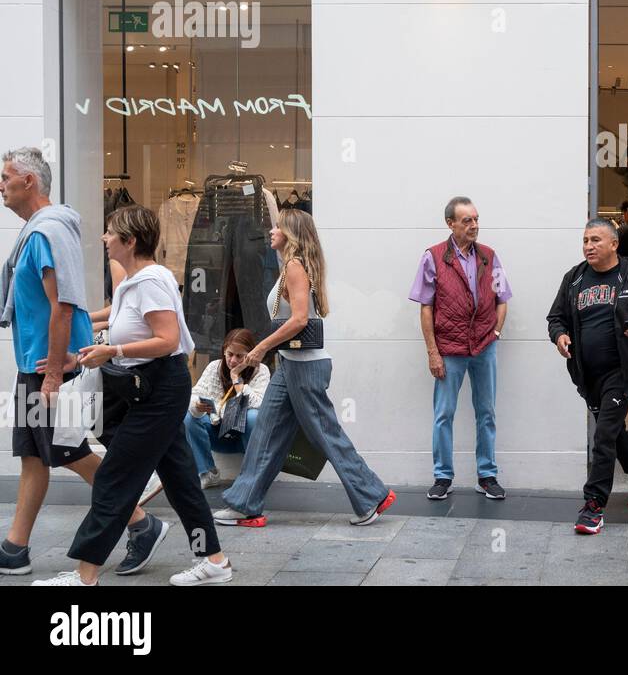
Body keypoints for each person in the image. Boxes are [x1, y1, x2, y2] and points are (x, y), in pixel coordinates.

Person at [34, 204, 232, 586]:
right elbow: (127, 329)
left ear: (130, 240)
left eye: (111, 232)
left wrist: (115, 350)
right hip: (153, 387)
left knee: (115, 477)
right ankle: (215, 560)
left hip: (161, 389)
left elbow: (168, 340)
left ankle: (85, 576)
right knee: (180, 481)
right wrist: (81, 357)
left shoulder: (150, 281)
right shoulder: (133, 282)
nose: (104, 238)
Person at [0, 148, 155, 578]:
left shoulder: (48, 232)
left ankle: (141, 522)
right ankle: (15, 547)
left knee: (67, 450)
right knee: (34, 454)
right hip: (35, 363)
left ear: (29, 181)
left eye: (6, 177)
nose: (1, 185)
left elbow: (63, 305)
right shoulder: (36, 231)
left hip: (54, 365)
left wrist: (54, 374)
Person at [216, 209, 396, 528]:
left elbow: (300, 319)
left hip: (305, 367)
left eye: (278, 227)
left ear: (290, 233)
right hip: (291, 364)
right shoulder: (292, 265)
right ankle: (244, 504)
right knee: (266, 432)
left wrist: (262, 347)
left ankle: (371, 495)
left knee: (325, 434)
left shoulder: (295, 266)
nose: (272, 231)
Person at [547, 218, 628, 535]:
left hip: (621, 372)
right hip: (587, 374)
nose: (589, 246)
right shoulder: (574, 278)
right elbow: (556, 318)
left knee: (602, 437)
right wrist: (560, 336)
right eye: (585, 240)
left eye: (596, 240)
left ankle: (594, 506)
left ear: (614, 244)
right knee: (612, 432)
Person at [410, 196, 510, 502]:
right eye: (467, 220)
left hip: (484, 347)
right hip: (449, 348)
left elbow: (502, 299)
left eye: (476, 219)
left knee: (486, 412)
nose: (474, 225)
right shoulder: (433, 257)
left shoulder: (489, 257)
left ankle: (487, 476)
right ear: (450, 224)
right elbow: (426, 308)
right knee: (444, 414)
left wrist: (495, 332)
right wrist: (433, 352)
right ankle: (443, 477)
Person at [185, 329, 270, 488]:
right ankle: (207, 472)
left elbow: (258, 403)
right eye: (230, 354)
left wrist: (236, 377)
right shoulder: (214, 367)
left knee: (253, 416)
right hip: (218, 434)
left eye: (240, 356)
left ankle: (253, 475)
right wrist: (198, 405)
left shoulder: (261, 370)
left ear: (250, 354)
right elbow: (194, 395)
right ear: (224, 350)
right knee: (189, 416)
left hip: (243, 438)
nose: (233, 360)